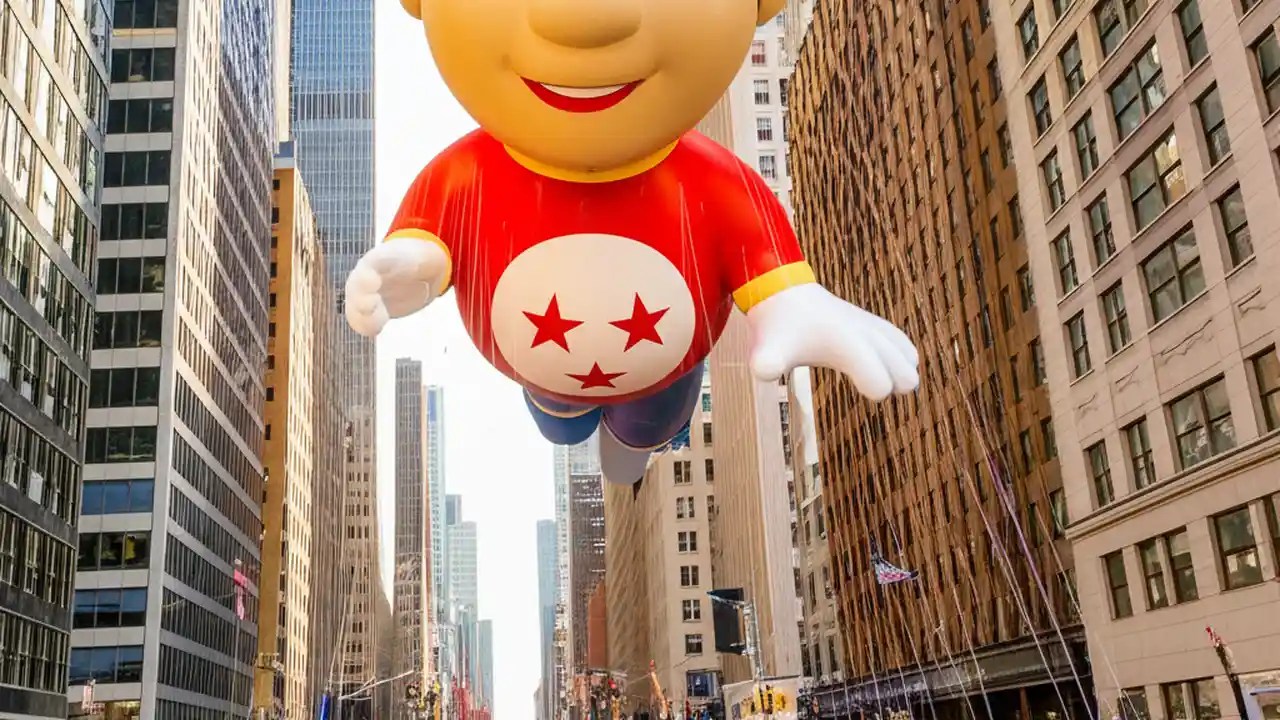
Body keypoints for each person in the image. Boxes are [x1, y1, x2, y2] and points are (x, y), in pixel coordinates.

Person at [347, 0, 920, 484]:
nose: (584, 23)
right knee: (560, 417)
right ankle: (571, 415)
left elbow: (764, 255)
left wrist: (792, 301)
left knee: (640, 435)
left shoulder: (709, 177)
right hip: (547, 376)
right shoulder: (471, 170)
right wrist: (416, 262)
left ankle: (629, 441)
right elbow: (431, 233)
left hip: (664, 376)